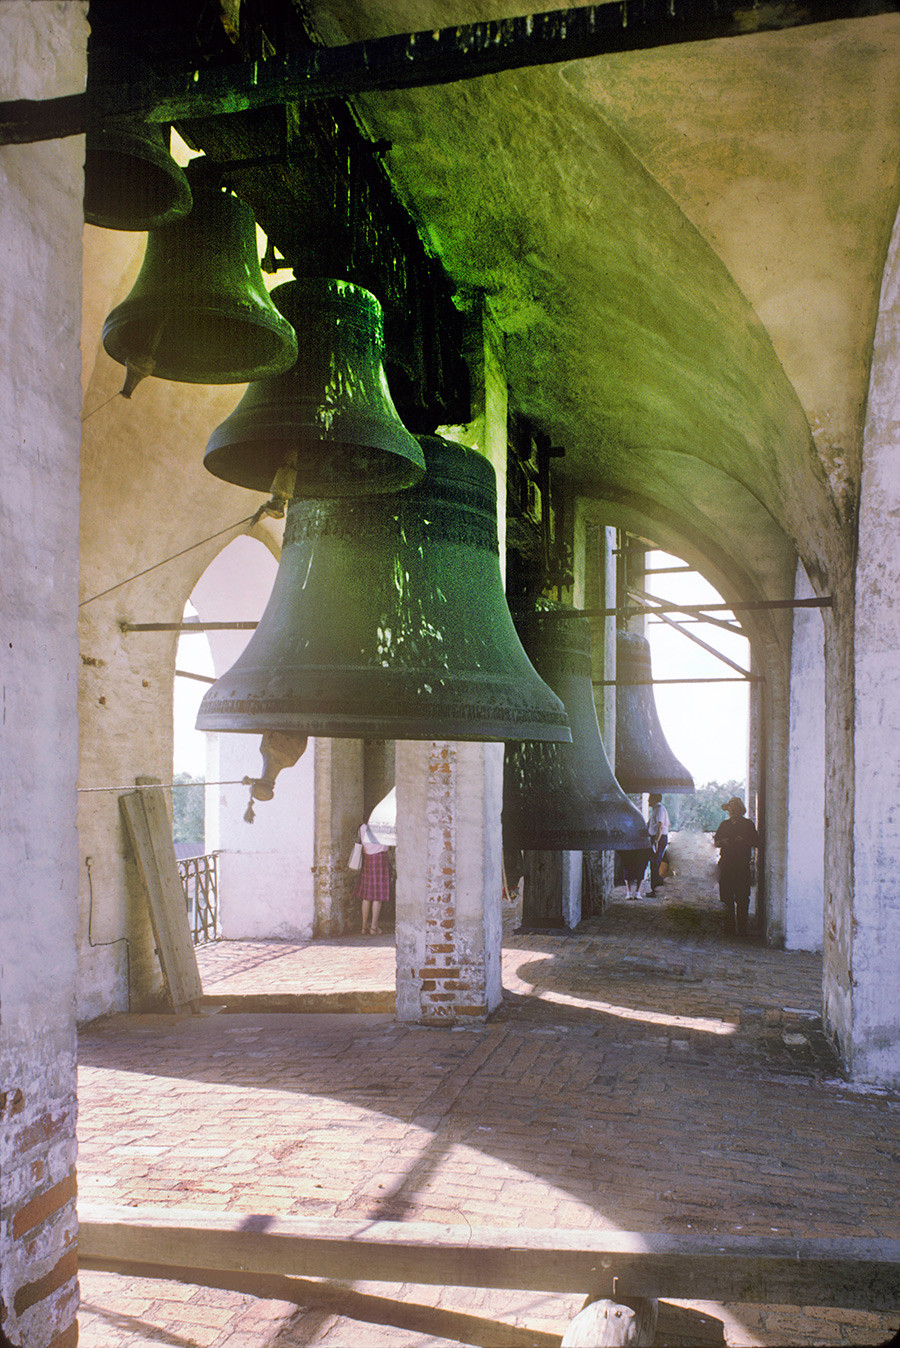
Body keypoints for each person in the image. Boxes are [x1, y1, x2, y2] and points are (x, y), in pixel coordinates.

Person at [713, 796, 761, 937]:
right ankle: (729, 928)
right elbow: (715, 842)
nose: (732, 811)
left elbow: (756, 842)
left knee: (742, 897)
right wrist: (723, 842)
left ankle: (742, 929)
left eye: (735, 808)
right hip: (726, 866)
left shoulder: (748, 824)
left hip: (741, 866)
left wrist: (744, 840)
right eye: (730, 808)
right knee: (726, 897)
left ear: (740, 810)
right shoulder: (724, 825)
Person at [356, 821, 390, 935]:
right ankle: (374, 927)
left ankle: (364, 926)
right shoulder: (382, 827)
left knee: (366, 895)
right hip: (380, 858)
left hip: (367, 859)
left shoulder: (362, 827)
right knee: (377, 896)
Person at [647, 793, 670, 895]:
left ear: (654, 799)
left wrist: (656, 840)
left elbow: (660, 825)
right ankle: (655, 888)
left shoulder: (659, 809)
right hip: (658, 837)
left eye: (650, 798)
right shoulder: (657, 809)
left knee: (655, 863)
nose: (648, 801)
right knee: (655, 862)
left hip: (659, 839)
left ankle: (655, 889)